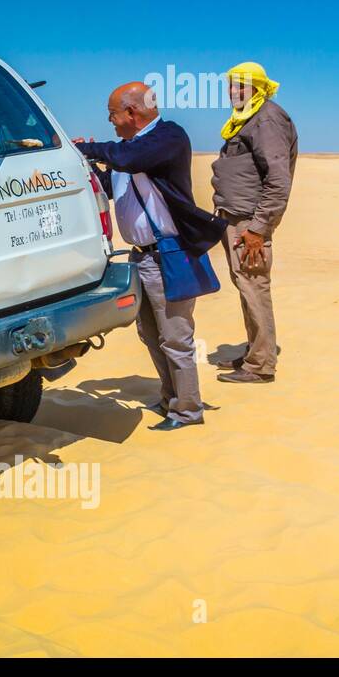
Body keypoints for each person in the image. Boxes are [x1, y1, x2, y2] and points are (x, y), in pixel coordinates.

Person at [77, 82, 227, 430]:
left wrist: (87, 148)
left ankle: (187, 411)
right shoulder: (127, 150)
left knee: (175, 336)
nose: (111, 121)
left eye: (112, 113)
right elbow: (113, 182)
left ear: (131, 112)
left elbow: (129, 159)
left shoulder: (167, 137)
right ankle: (170, 398)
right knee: (149, 331)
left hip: (169, 256)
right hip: (139, 258)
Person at [211, 62, 298, 384]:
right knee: (247, 286)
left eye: (242, 86)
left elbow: (278, 178)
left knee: (254, 287)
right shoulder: (247, 119)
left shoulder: (267, 119)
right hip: (238, 218)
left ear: (258, 89)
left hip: (250, 223)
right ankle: (255, 352)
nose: (234, 92)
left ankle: (261, 366)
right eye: (232, 86)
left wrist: (259, 228)